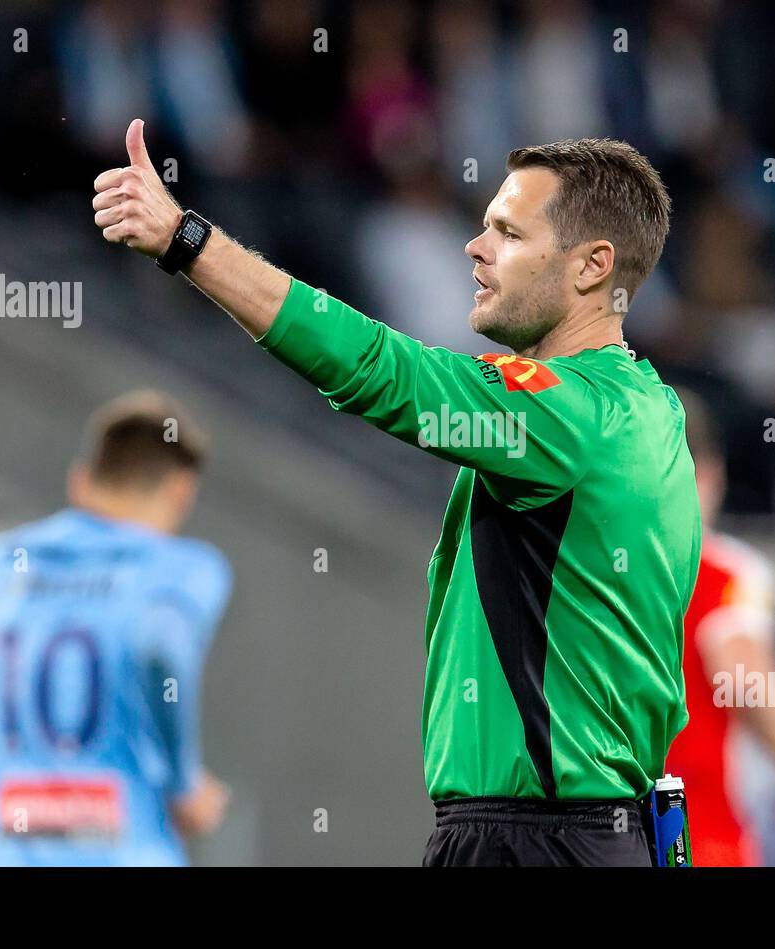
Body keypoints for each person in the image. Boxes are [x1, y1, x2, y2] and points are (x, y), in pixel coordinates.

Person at [93, 119, 700, 866]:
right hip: (602, 833)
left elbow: (383, 371)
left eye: (508, 234)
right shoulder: (650, 407)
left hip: (535, 840)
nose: (475, 250)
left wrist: (188, 242)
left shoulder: (566, 413)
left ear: (591, 267)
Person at [0, 390, 232, 866]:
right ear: (180, 493)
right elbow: (161, 647)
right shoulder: (187, 568)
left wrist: (9, 692)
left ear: (80, 483)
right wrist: (182, 783)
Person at [664, 388, 775, 865]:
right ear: (710, 473)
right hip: (693, 831)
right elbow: (740, 670)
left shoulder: (589, 569)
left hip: (590, 836)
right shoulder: (724, 573)